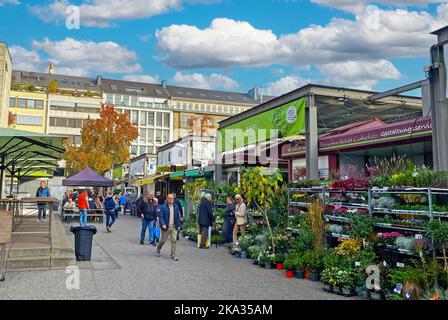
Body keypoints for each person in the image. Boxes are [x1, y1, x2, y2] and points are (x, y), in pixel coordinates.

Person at [156, 194, 180, 261]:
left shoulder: (176, 207)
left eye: (172, 198)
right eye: (170, 198)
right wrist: (163, 224)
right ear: (167, 199)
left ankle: (173, 254)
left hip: (173, 227)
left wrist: (178, 226)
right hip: (166, 227)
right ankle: (158, 249)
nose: (171, 200)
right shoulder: (163, 207)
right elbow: (161, 217)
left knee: (174, 240)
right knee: (163, 240)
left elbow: (177, 217)